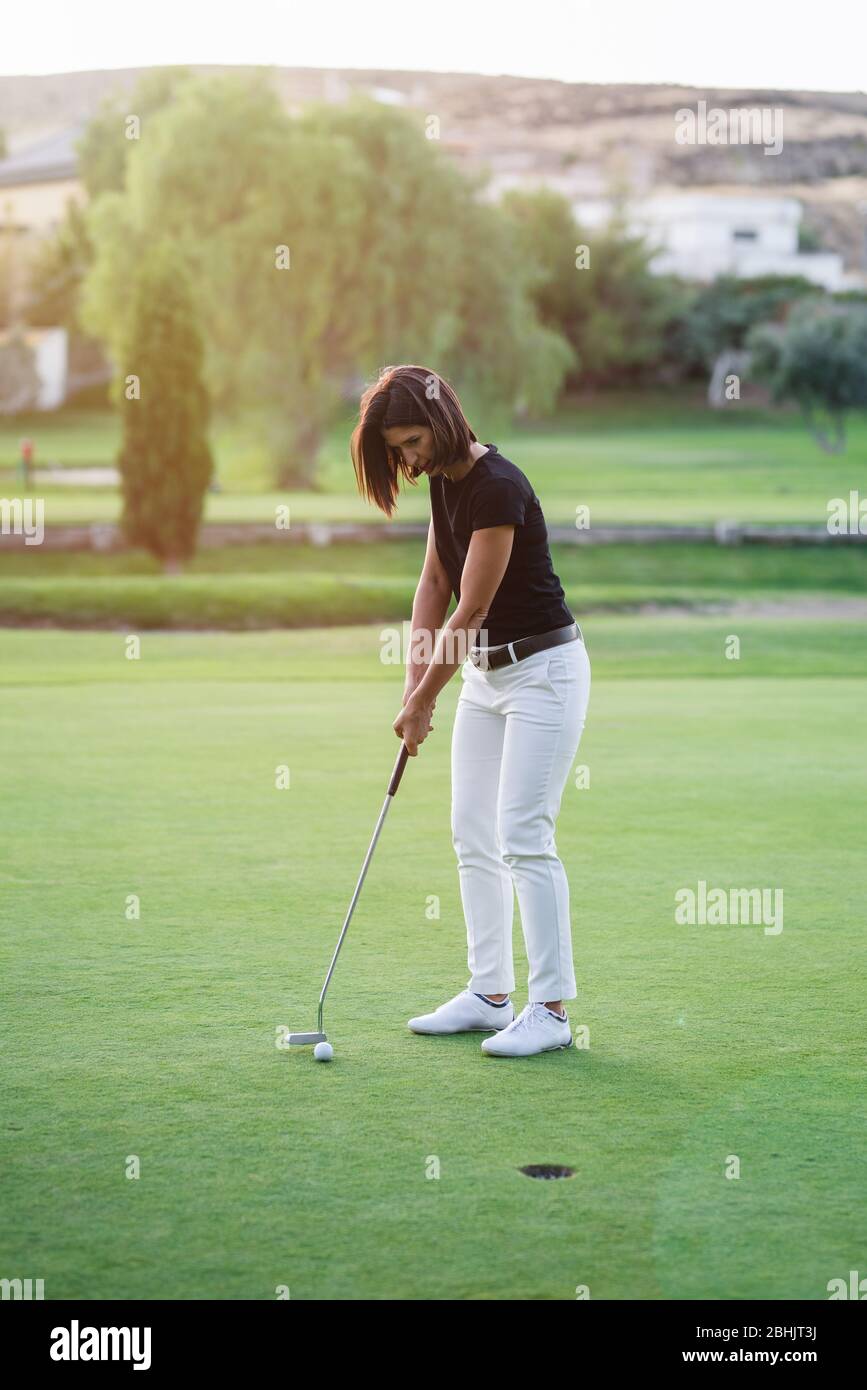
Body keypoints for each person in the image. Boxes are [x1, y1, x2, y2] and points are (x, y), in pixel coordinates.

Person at [350, 365, 591, 1057]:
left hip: (544, 673)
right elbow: (432, 582)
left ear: (443, 420)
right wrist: (410, 687)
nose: (406, 460)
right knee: (470, 832)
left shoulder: (497, 486)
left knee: (523, 834)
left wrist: (428, 696)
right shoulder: (444, 486)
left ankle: (549, 1010)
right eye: (396, 451)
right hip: (486, 678)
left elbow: (473, 605)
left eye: (410, 443)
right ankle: (489, 994)